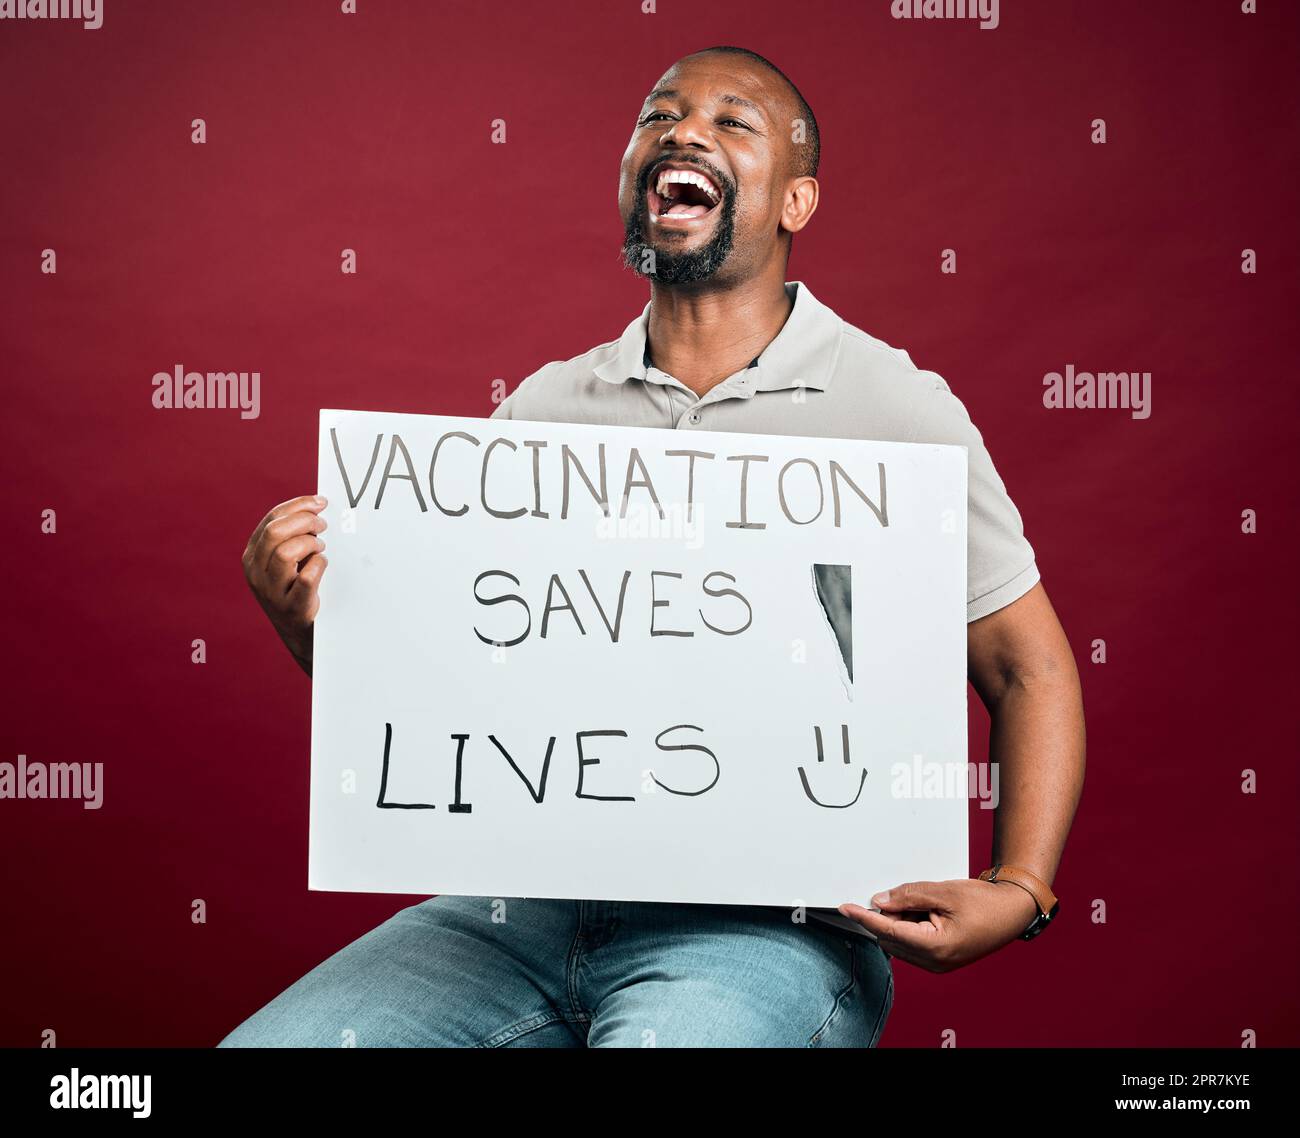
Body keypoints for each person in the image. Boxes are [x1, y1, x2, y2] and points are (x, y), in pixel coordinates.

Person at [222, 45, 1085, 1048]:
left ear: (795, 202)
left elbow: (1028, 667)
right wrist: (306, 625)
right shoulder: (546, 409)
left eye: (731, 122)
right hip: (517, 916)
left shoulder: (893, 407)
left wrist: (1019, 888)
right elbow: (451, 699)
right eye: (659, 116)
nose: (681, 132)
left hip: (770, 934)